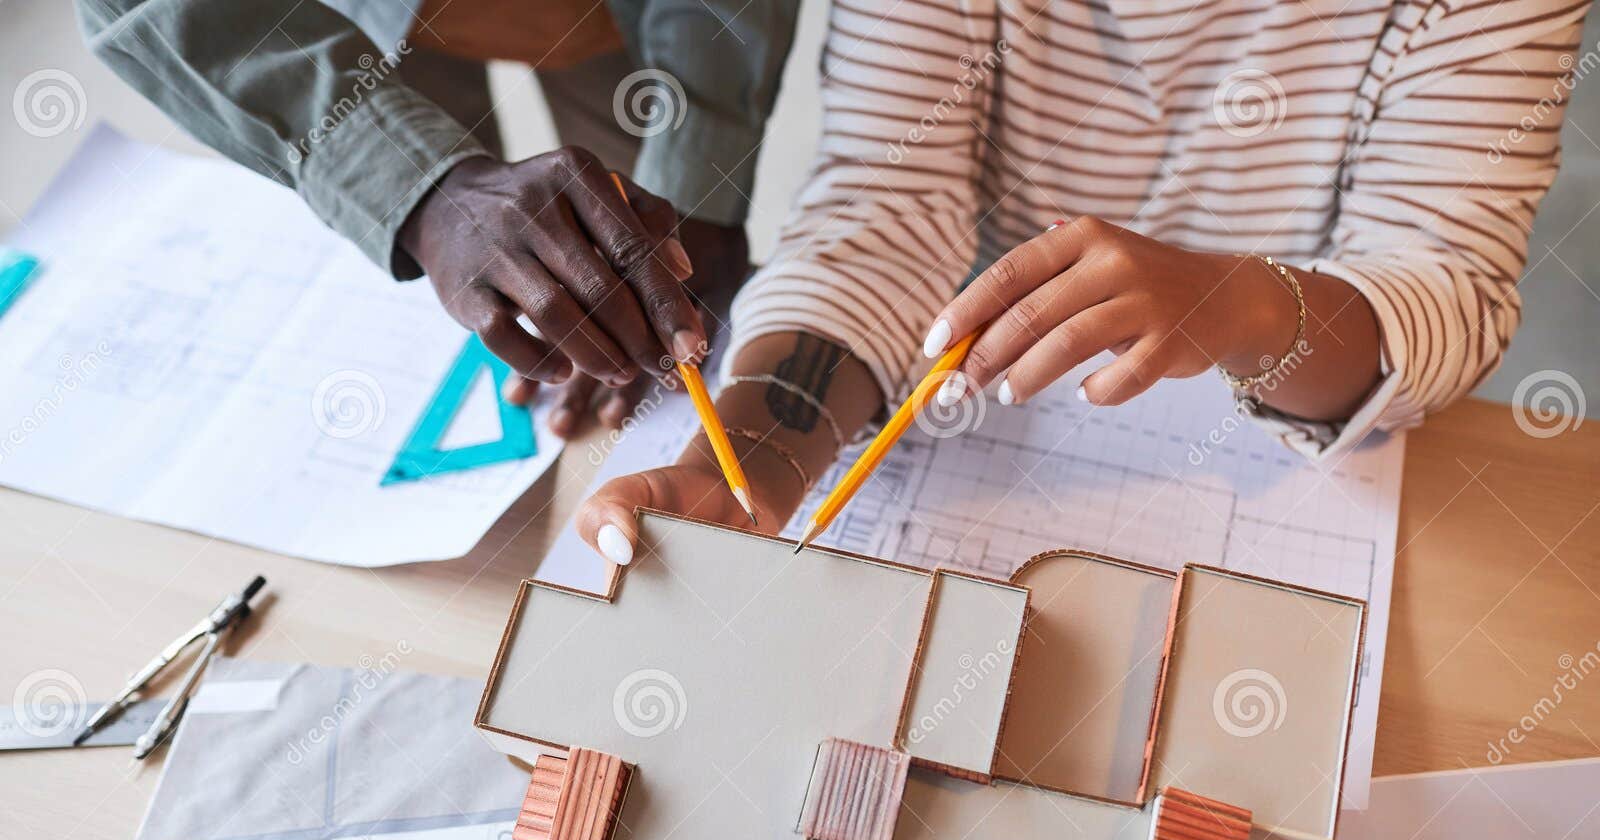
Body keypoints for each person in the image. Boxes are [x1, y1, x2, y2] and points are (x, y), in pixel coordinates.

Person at [573, 0, 1588, 568]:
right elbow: (879, 222)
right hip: (1001, 402)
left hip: (1299, 437)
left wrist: (1237, 304)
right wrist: (749, 459)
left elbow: (1442, 294)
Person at [76, 0, 800, 434]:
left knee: (631, 252)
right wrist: (418, 187)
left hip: (630, 26)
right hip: (355, 27)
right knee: (499, 282)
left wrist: (699, 175)